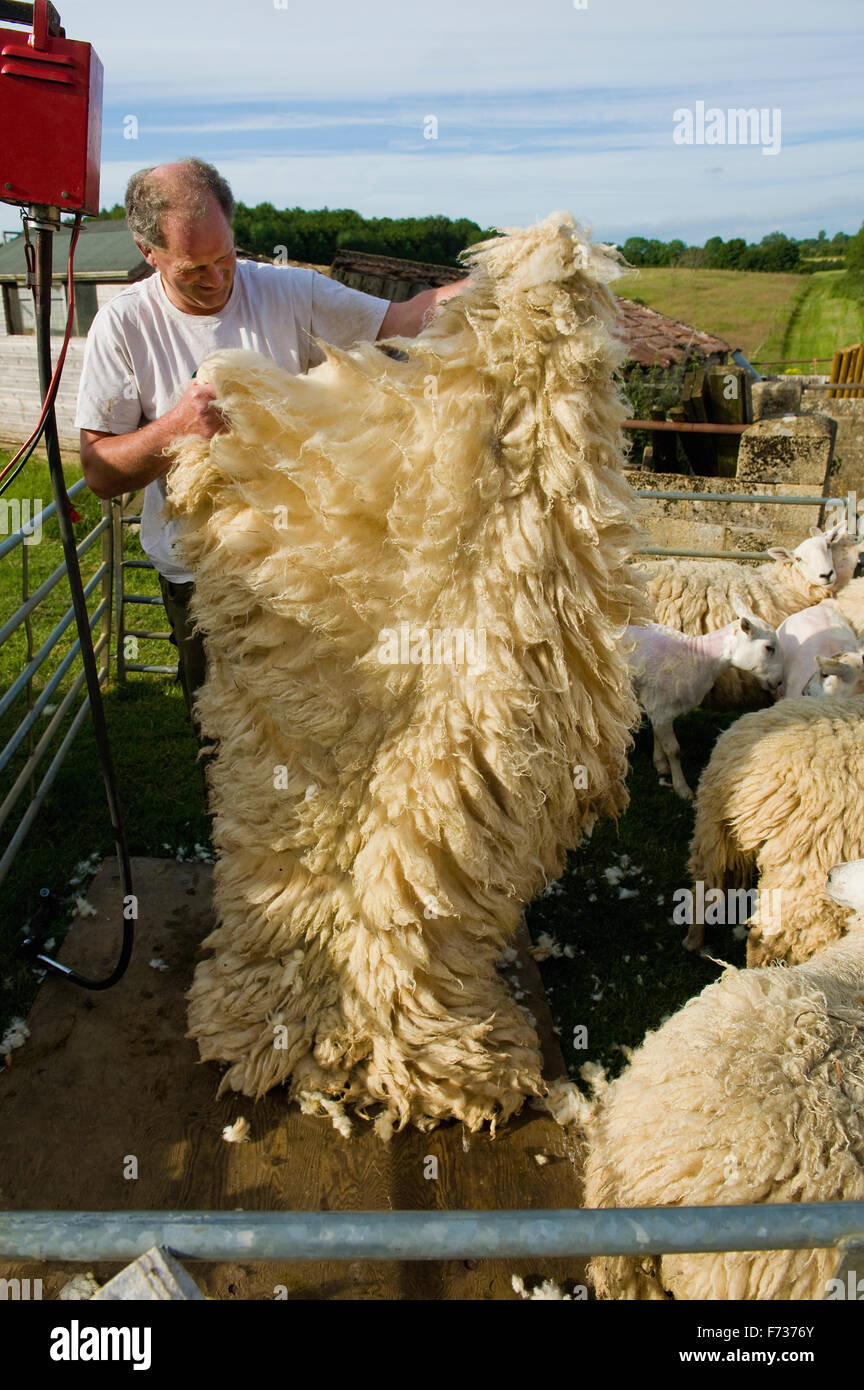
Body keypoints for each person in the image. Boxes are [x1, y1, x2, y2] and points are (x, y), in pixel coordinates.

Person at [76, 157, 467, 769]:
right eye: (193, 268)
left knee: (326, 723)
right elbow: (99, 472)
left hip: (310, 565)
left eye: (225, 256)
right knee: (233, 739)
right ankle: (250, 854)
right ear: (148, 252)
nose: (216, 278)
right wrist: (180, 427)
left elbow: (400, 321)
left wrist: (504, 283)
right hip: (202, 576)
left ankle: (326, 850)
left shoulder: (289, 291)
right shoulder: (124, 326)